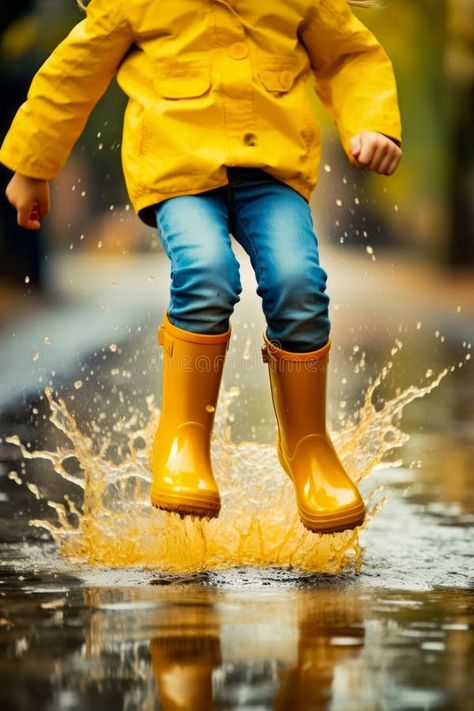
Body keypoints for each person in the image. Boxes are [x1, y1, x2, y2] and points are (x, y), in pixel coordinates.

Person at [0, 0, 402, 534]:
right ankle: (183, 438)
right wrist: (33, 165)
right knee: (208, 274)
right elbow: (70, 76)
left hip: (273, 174)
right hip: (179, 173)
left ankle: (309, 447)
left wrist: (372, 124)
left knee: (299, 283)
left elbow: (352, 55)